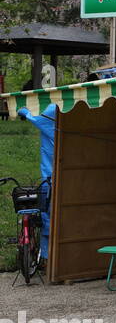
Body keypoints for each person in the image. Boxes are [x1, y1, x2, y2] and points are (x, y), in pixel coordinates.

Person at [16, 103, 56, 261]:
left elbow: (35, 119)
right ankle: (46, 255)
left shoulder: (48, 122)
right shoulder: (58, 123)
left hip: (48, 172)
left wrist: (24, 111)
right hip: (52, 171)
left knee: (46, 207)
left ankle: (46, 256)